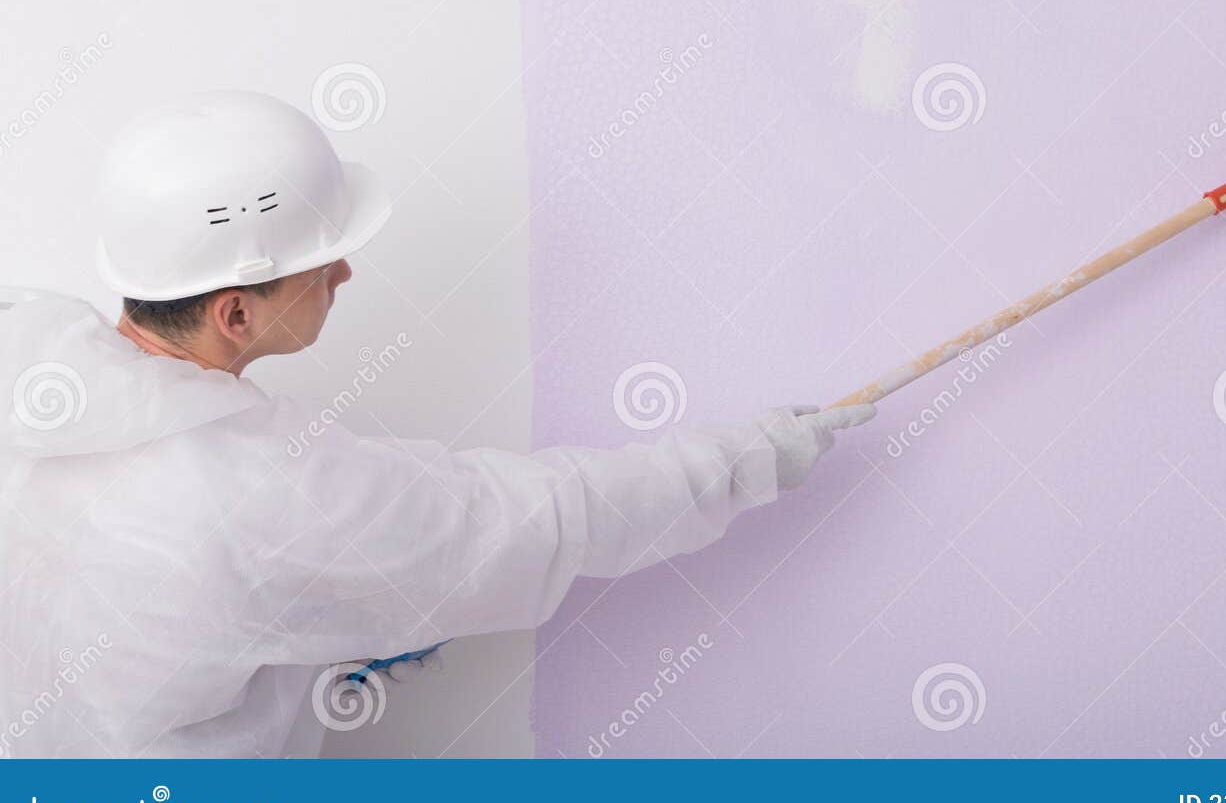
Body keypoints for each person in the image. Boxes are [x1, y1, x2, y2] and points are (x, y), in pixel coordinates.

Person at [0, 90, 873, 757]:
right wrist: (756, 455)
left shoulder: (26, 364)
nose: (343, 269)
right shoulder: (258, 493)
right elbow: (536, 517)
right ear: (234, 311)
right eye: (318, 261)